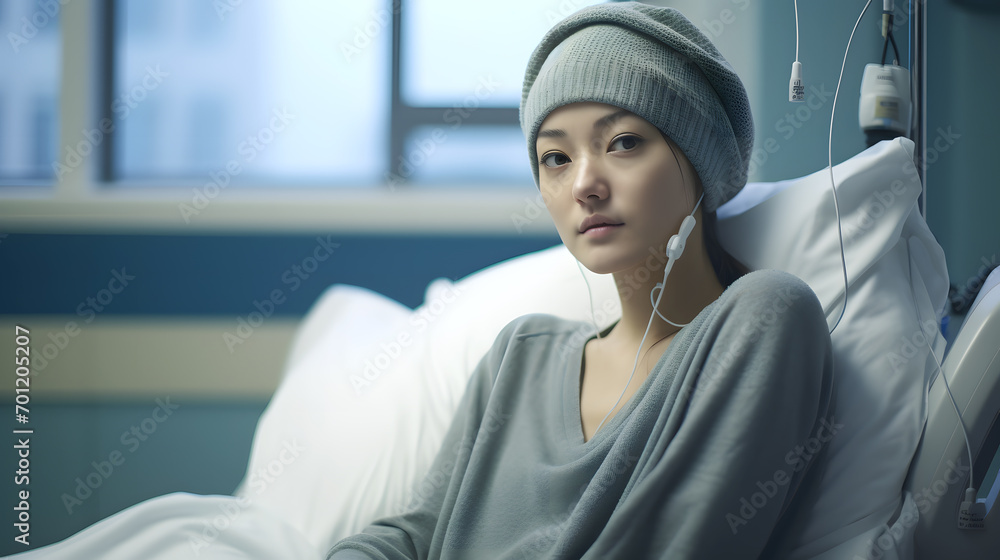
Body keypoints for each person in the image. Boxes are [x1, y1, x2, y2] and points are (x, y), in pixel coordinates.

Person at [327, 3, 834, 558]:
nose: (584, 185)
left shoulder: (764, 316)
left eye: (623, 143)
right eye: (555, 157)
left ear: (700, 158)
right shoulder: (520, 356)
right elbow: (414, 535)